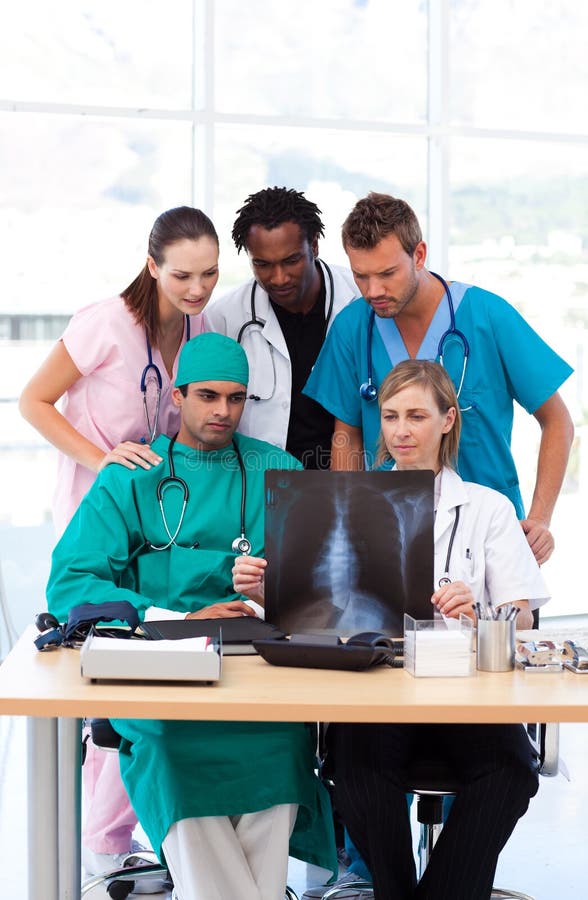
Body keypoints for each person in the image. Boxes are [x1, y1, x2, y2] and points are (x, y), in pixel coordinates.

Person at [46, 333, 337, 900]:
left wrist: (263, 595)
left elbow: (325, 578)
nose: (223, 411)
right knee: (171, 751)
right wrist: (172, 617)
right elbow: (71, 581)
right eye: (207, 396)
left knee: (280, 749)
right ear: (177, 396)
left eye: (235, 398)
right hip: (157, 669)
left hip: (258, 672)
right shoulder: (132, 474)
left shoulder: (277, 470)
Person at [19, 206, 219, 882]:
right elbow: (34, 401)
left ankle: (137, 831)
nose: (197, 288)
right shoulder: (106, 322)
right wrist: (100, 457)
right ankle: (104, 845)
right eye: (184, 274)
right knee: (107, 667)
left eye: (210, 273)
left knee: (146, 665)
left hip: (153, 524)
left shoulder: (200, 328)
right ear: (153, 262)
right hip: (92, 515)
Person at [322, 360, 548, 900]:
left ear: (447, 420)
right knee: (353, 770)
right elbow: (322, 609)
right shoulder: (352, 505)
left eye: (417, 416)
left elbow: (526, 616)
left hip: (466, 694)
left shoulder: (488, 509)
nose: (401, 430)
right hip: (380, 691)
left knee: (512, 772)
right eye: (391, 415)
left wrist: (480, 612)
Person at [303, 192, 574, 565]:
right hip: (390, 540)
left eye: (386, 274)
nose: (373, 291)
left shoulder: (487, 316)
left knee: (500, 624)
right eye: (360, 276)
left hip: (489, 539)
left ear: (419, 255)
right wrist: (347, 522)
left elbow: (557, 420)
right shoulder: (353, 328)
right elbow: (346, 434)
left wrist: (541, 518)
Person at [204, 186, 360, 469]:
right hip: (261, 484)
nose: (278, 278)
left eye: (291, 261)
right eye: (262, 264)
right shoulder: (225, 319)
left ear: (313, 245)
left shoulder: (359, 300)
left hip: (346, 476)